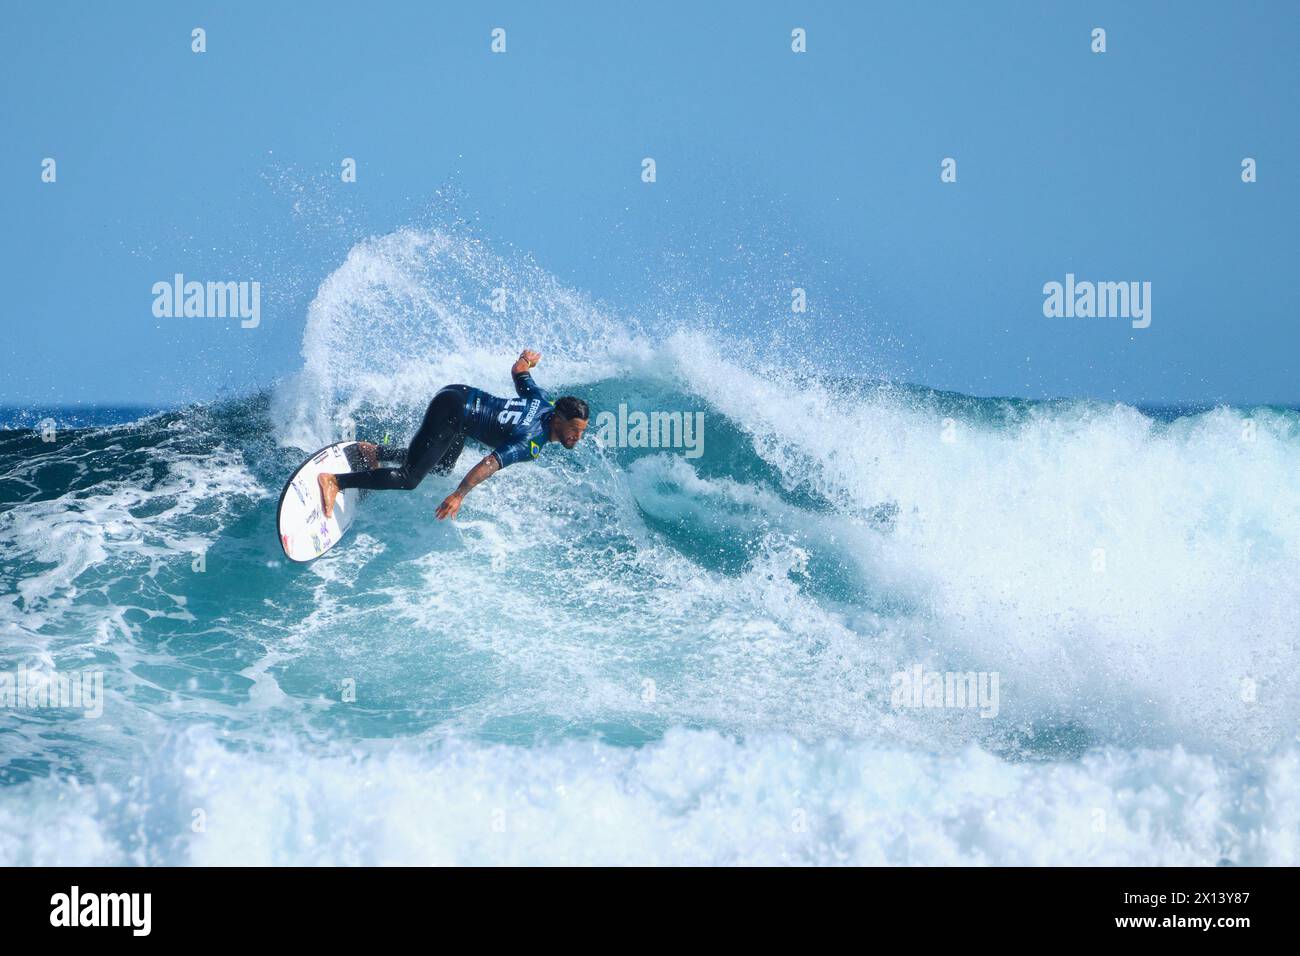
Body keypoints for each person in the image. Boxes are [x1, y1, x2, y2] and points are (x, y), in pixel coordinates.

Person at [317, 350, 589, 521]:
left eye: (581, 431)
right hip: (452, 413)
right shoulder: (530, 443)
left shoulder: (543, 400)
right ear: (558, 419)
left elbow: (519, 371)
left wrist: (527, 359)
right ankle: (335, 481)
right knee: (409, 478)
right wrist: (459, 495)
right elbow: (489, 464)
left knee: (443, 465)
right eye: (574, 429)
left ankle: (376, 453)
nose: (577, 436)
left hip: (460, 395)